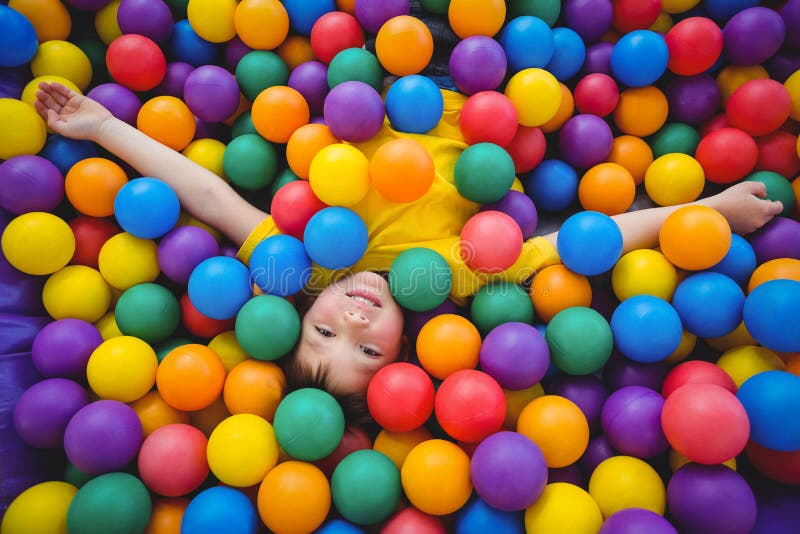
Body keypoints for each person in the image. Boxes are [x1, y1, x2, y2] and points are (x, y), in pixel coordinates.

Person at [34, 81, 783, 425]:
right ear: (405, 353)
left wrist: (105, 129)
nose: (352, 318)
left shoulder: (299, 262)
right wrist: (707, 209)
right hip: (484, 99)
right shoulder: (453, 275)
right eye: (366, 348)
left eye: (325, 330)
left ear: (300, 308)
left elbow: (208, 198)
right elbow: (588, 242)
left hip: (380, 83)